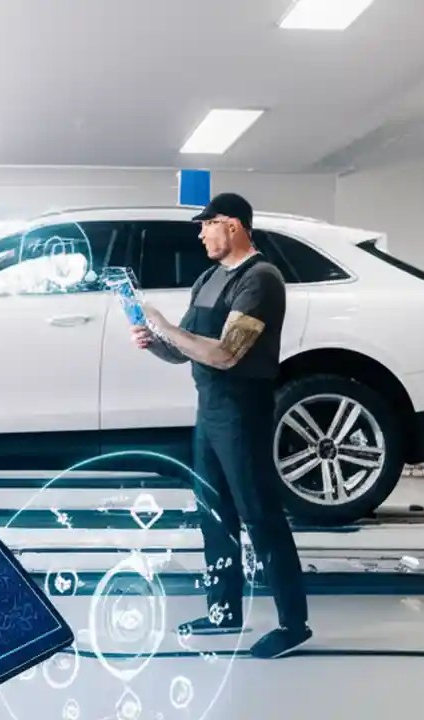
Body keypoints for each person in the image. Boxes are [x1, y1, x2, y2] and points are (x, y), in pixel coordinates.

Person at [133, 192, 312, 659]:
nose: (200, 233)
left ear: (232, 224)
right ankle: (223, 610)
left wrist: (163, 324)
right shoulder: (209, 278)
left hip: (242, 411)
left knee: (260, 516)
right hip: (208, 411)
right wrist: (154, 340)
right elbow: (185, 348)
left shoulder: (261, 279)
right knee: (214, 515)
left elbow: (226, 353)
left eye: (206, 224)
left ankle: (294, 623)